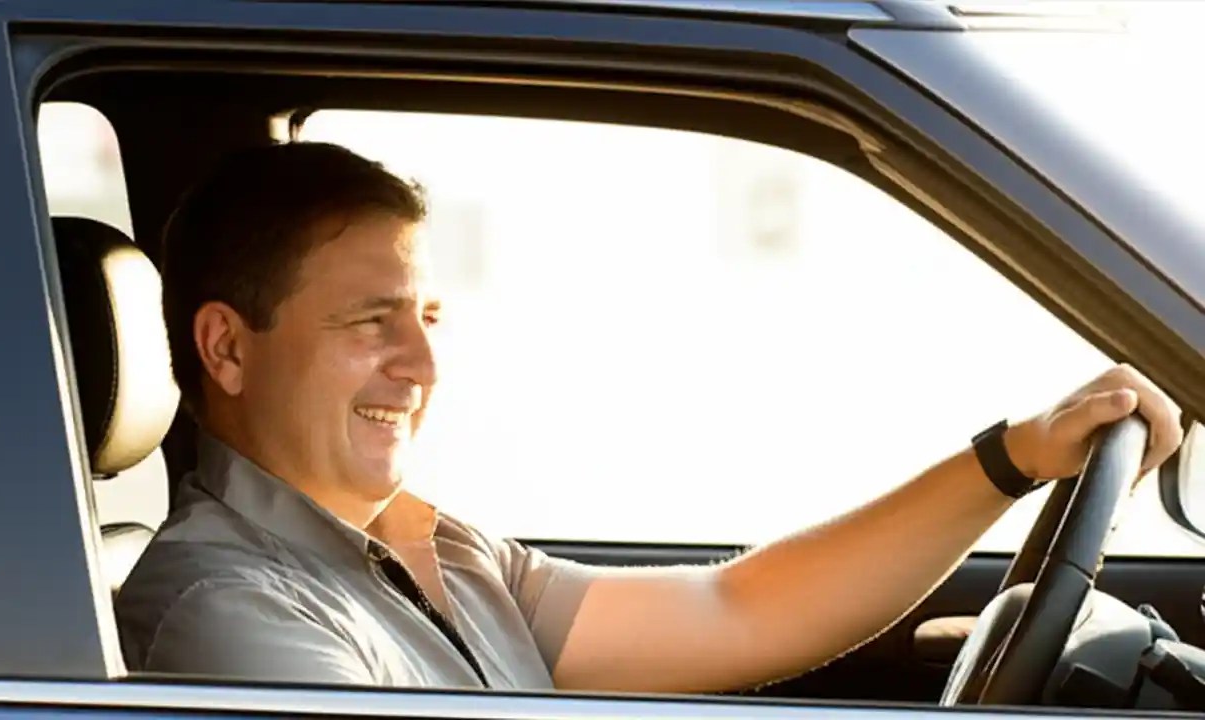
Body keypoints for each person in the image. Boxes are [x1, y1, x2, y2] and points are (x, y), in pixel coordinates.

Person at [116, 141, 1184, 694]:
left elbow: (739, 610)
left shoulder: (433, 551)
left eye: (428, 314)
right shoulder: (224, 613)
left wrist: (1008, 460)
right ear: (225, 348)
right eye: (370, 322)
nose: (423, 362)